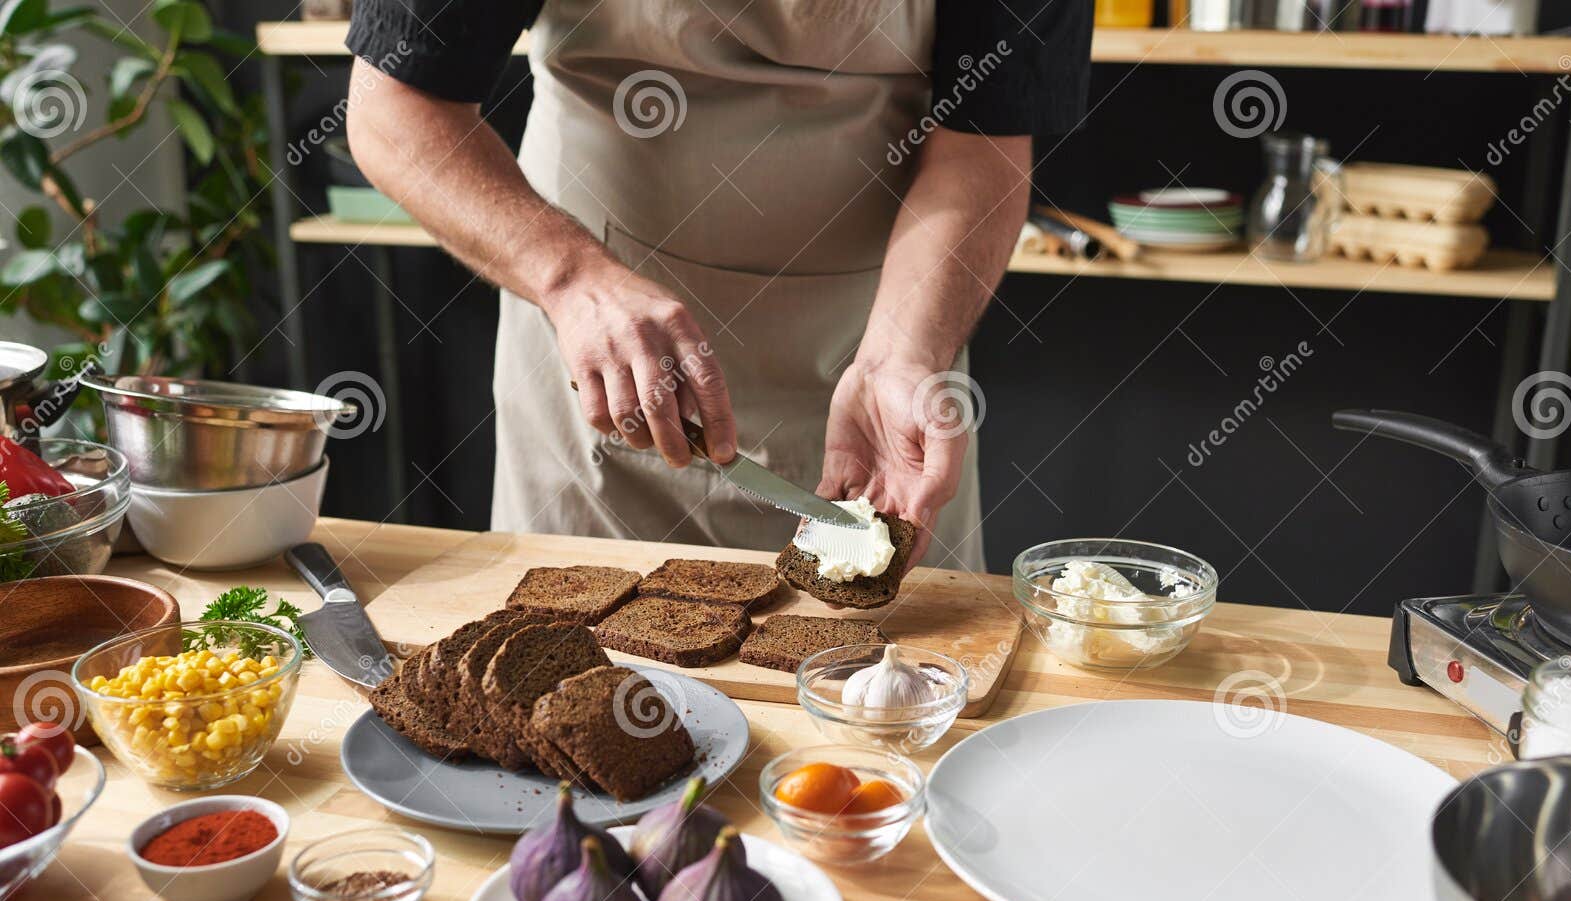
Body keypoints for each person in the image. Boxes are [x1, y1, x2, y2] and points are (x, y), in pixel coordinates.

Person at [346, 0, 1090, 570]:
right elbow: (395, 110)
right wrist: (571, 277)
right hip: (593, 324)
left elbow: (984, 140)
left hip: (887, 329)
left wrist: (903, 354)